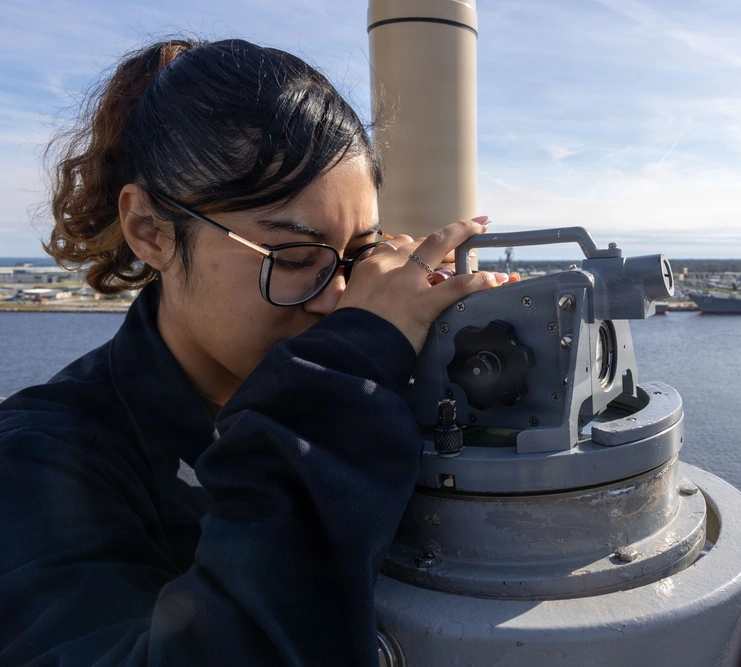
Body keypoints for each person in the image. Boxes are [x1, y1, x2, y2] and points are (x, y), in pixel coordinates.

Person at [0, 38, 514, 666]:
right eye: (296, 260)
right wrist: (348, 374)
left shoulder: (382, 398)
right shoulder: (36, 461)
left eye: (358, 259)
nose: (337, 300)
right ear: (150, 232)